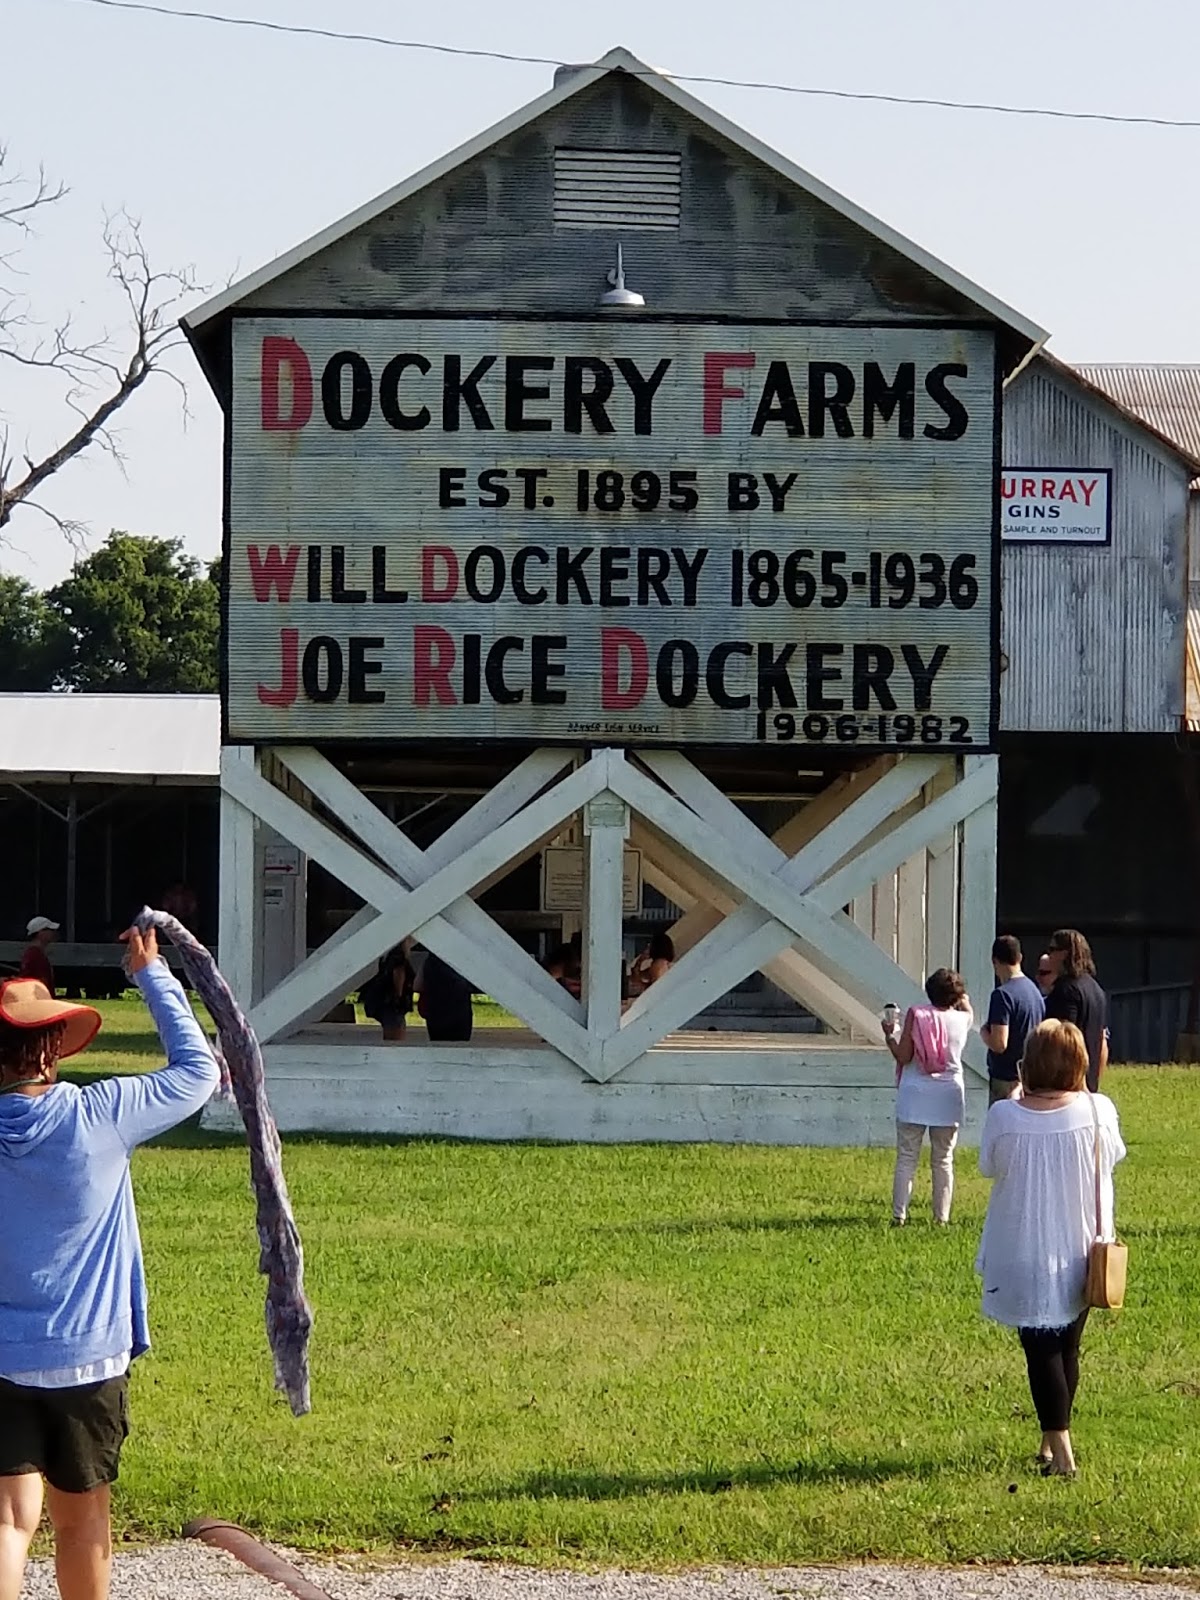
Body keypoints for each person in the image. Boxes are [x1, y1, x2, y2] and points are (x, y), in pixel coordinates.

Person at [0, 925, 219, 1600]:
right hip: (88, 1359)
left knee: (10, 1521)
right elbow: (200, 1071)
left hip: (3, 1357)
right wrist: (152, 975)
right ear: (54, 1046)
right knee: (83, 1517)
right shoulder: (102, 1113)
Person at [975, 1019, 1125, 1477]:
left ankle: (1061, 1451)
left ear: (1029, 1062)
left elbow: (988, 1166)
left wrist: (1017, 1100)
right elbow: (1115, 1155)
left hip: (1025, 1246)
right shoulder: (1099, 1110)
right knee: (1068, 1348)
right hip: (1084, 1247)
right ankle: (1049, 1441)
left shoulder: (1006, 1115)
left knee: (1040, 1349)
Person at [882, 968, 973, 1227]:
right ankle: (941, 1217)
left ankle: (899, 1215)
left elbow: (903, 1055)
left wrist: (890, 1033)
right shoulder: (963, 1019)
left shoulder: (917, 1015)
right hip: (949, 1093)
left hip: (916, 1092)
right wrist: (961, 996)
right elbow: (968, 1008)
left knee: (907, 1157)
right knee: (943, 1159)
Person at [980, 935, 1045, 1106]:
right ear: (1020, 958)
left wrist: (984, 1032)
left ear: (994, 961)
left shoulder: (1002, 995)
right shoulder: (1034, 992)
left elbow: (999, 1044)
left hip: (1006, 1079)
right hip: (1029, 1076)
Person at [1043, 929, 1109, 1092]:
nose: (1048, 955)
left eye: (1052, 950)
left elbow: (1063, 1040)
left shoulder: (1065, 990)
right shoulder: (1096, 989)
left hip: (1067, 1083)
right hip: (1089, 1080)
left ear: (1064, 954)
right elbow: (1102, 1041)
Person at [361, 941, 416, 1041]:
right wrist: (398, 997)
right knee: (395, 1036)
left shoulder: (386, 956)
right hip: (393, 1003)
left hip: (385, 1001)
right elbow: (398, 972)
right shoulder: (398, 956)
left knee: (391, 1030)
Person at [418, 951, 475, 1042]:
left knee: (438, 1046)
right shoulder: (462, 961)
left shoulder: (431, 960)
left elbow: (418, 985)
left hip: (436, 1012)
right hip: (460, 1012)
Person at [19, 918, 59, 993]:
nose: (53, 932)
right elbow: (41, 982)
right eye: (49, 929)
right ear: (40, 932)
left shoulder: (33, 953)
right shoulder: (35, 955)